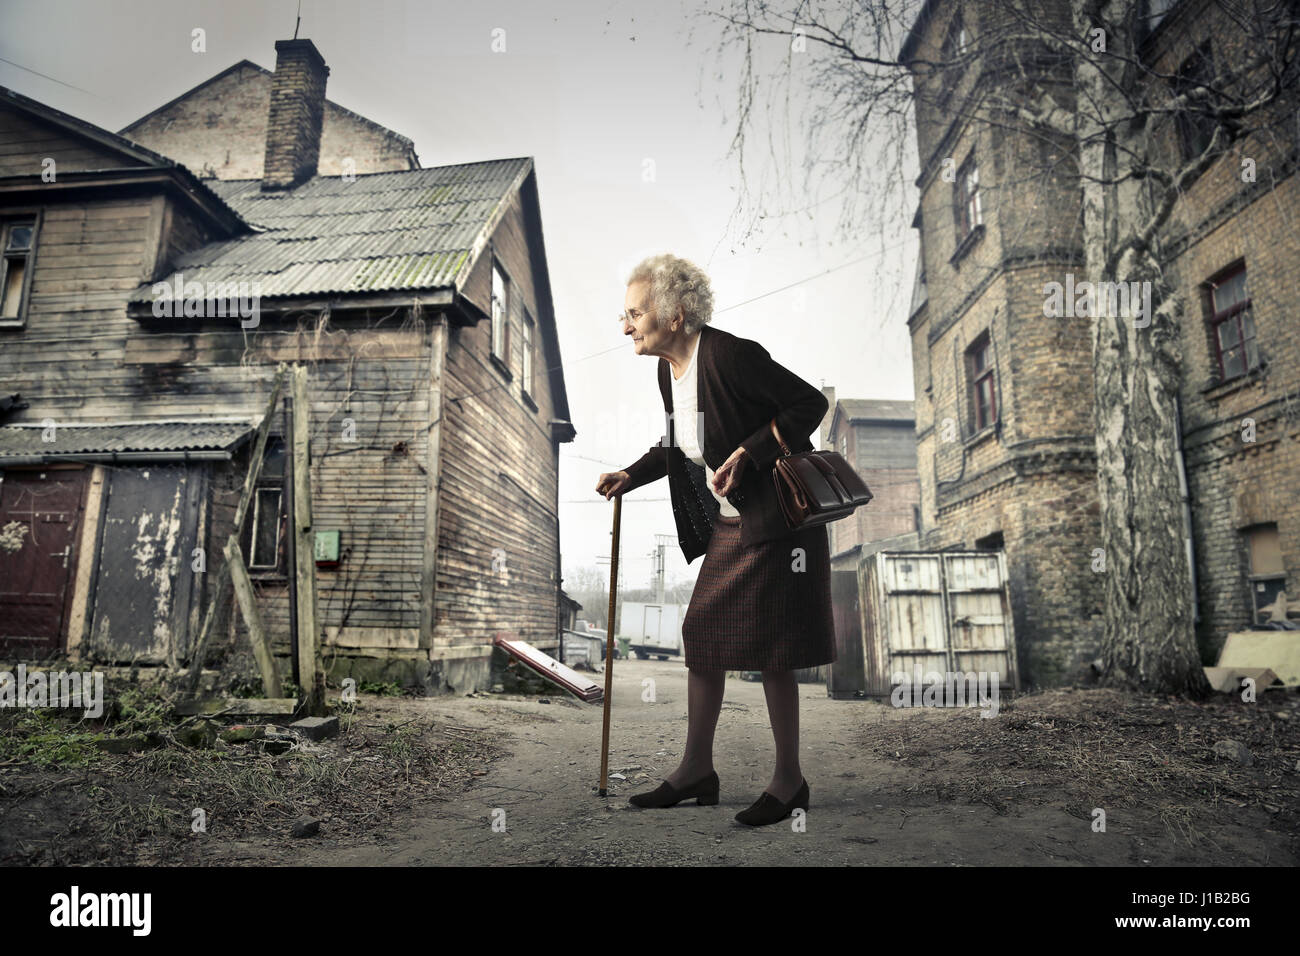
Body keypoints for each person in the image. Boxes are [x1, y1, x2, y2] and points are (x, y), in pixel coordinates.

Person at [595, 253, 835, 827]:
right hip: (732, 524)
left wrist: (750, 453)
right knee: (702, 634)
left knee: (775, 651)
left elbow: (810, 404)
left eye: (634, 313)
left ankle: (789, 782)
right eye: (624, 315)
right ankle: (696, 770)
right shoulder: (667, 372)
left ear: (675, 315)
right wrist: (632, 473)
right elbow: (681, 444)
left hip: (779, 522)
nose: (625, 326)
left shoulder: (731, 356)